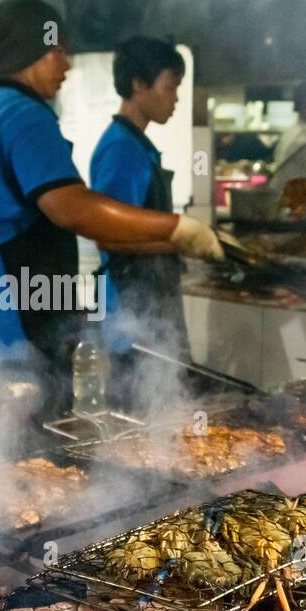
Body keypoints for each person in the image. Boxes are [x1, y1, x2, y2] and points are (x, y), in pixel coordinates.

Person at [0, 0, 223, 414]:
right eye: (60, 52)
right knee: (34, 452)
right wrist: (178, 229)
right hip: (13, 312)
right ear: (28, 50)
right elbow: (70, 207)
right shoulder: (23, 114)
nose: (67, 66)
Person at [89, 36, 191, 406]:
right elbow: (109, 236)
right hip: (130, 315)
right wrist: (181, 239)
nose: (175, 99)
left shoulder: (138, 145)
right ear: (138, 85)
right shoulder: (120, 149)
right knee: (138, 421)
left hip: (149, 307)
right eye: (170, 87)